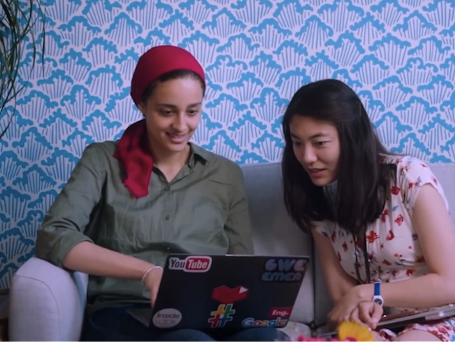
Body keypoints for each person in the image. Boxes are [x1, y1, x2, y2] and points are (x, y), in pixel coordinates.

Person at [35, 45, 287, 342]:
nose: (182, 126)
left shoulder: (226, 175)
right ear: (141, 104)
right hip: (124, 311)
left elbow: (241, 263)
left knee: (262, 337)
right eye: (167, 112)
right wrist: (147, 271)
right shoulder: (101, 161)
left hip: (202, 312)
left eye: (192, 112)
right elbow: (54, 235)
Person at [280, 79, 455, 342]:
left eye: (319, 143)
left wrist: (367, 292)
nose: (306, 157)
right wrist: (360, 308)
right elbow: (343, 297)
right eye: (297, 143)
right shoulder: (317, 200)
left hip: (449, 315)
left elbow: (450, 285)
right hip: (385, 324)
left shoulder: (409, 176)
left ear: (352, 138)